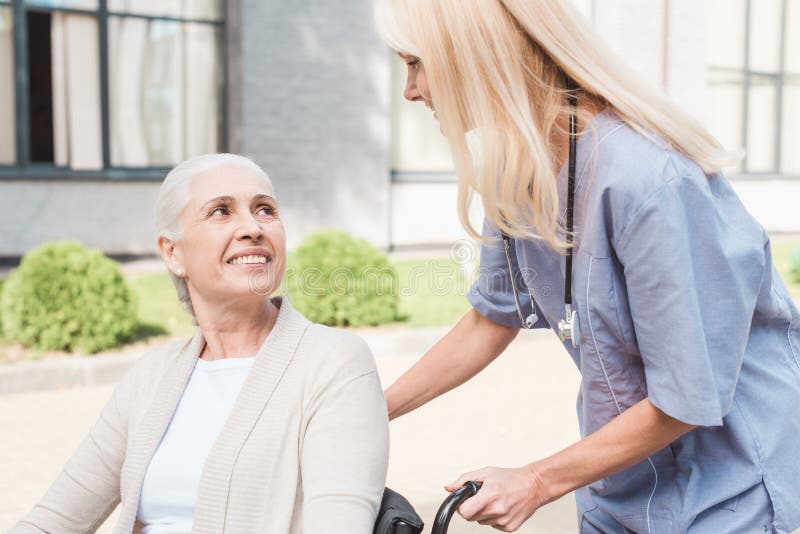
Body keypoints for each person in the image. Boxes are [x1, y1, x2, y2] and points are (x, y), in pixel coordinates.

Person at [374, 0, 800, 532]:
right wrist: (369, 410)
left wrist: (535, 480)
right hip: (619, 488)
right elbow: (492, 319)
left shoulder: (650, 182)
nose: (410, 90)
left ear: (475, 56)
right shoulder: (519, 172)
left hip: (732, 493)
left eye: (415, 63)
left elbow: (686, 398)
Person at [6, 154, 390, 534]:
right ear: (173, 253)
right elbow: (52, 520)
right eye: (221, 211)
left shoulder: (333, 362)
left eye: (265, 209)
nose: (252, 227)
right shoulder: (151, 376)